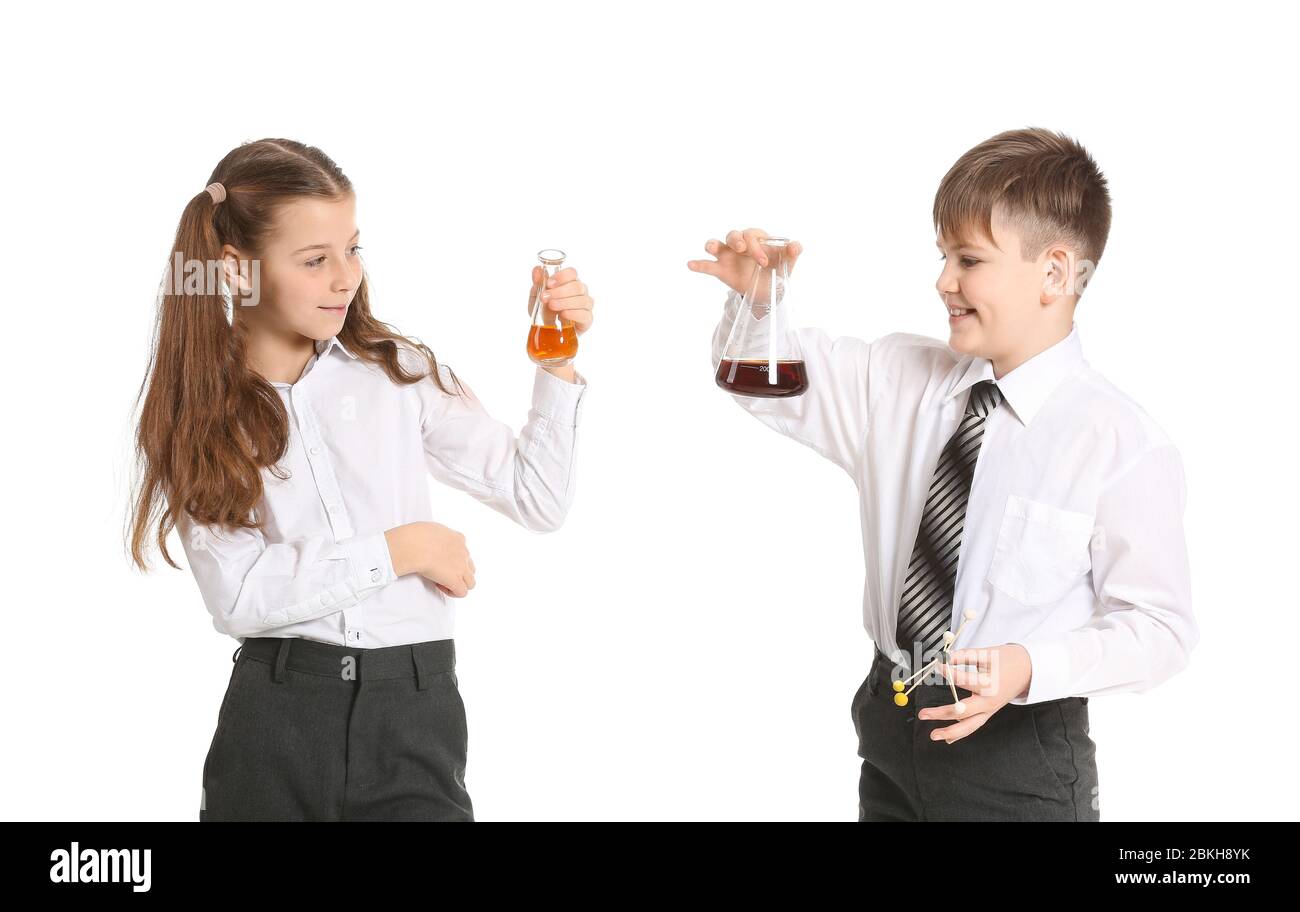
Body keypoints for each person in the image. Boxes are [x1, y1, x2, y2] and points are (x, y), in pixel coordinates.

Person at [686, 127, 1197, 821]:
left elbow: (1161, 629)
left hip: (1018, 760)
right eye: (943, 256)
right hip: (891, 729)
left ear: (1054, 273)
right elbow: (759, 385)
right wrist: (757, 305)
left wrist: (1027, 666)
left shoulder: (1117, 441)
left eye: (969, 260)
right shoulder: (898, 381)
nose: (943, 281)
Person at [127, 138, 594, 821]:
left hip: (414, 714)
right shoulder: (202, 412)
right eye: (315, 261)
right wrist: (401, 549)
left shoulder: (397, 371)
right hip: (274, 724)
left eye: (353, 249)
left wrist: (559, 364)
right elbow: (239, 596)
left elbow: (537, 496)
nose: (345, 278)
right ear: (236, 270)